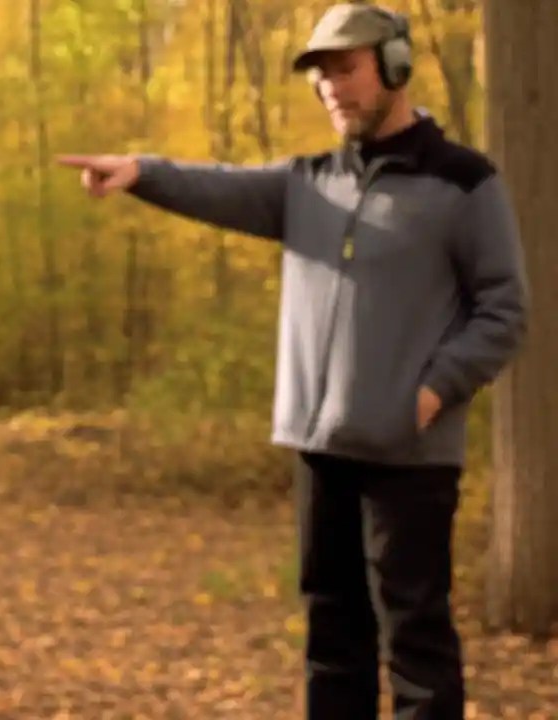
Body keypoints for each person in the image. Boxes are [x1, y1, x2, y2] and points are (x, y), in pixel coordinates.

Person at [58, 4, 527, 720]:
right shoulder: (306, 183)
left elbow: (504, 309)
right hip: (321, 452)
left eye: (347, 68)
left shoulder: (463, 182)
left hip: (412, 456)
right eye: (321, 75)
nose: (333, 87)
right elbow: (214, 185)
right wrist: (140, 172)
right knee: (332, 641)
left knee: (417, 645)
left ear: (396, 66)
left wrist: (436, 389)